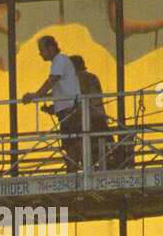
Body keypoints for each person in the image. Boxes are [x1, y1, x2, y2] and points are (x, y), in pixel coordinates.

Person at [21, 35, 83, 170]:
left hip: (70, 110)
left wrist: (36, 95)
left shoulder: (59, 60)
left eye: (42, 49)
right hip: (67, 109)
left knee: (74, 143)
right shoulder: (61, 60)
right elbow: (60, 88)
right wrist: (47, 101)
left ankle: (76, 173)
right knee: (71, 143)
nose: (40, 53)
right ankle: (75, 172)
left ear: (51, 48)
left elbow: (53, 79)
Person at [69, 55, 116, 169]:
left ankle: (90, 168)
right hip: (99, 115)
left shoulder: (77, 79)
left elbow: (77, 99)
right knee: (104, 146)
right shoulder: (93, 77)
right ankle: (108, 164)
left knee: (87, 147)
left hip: (88, 119)